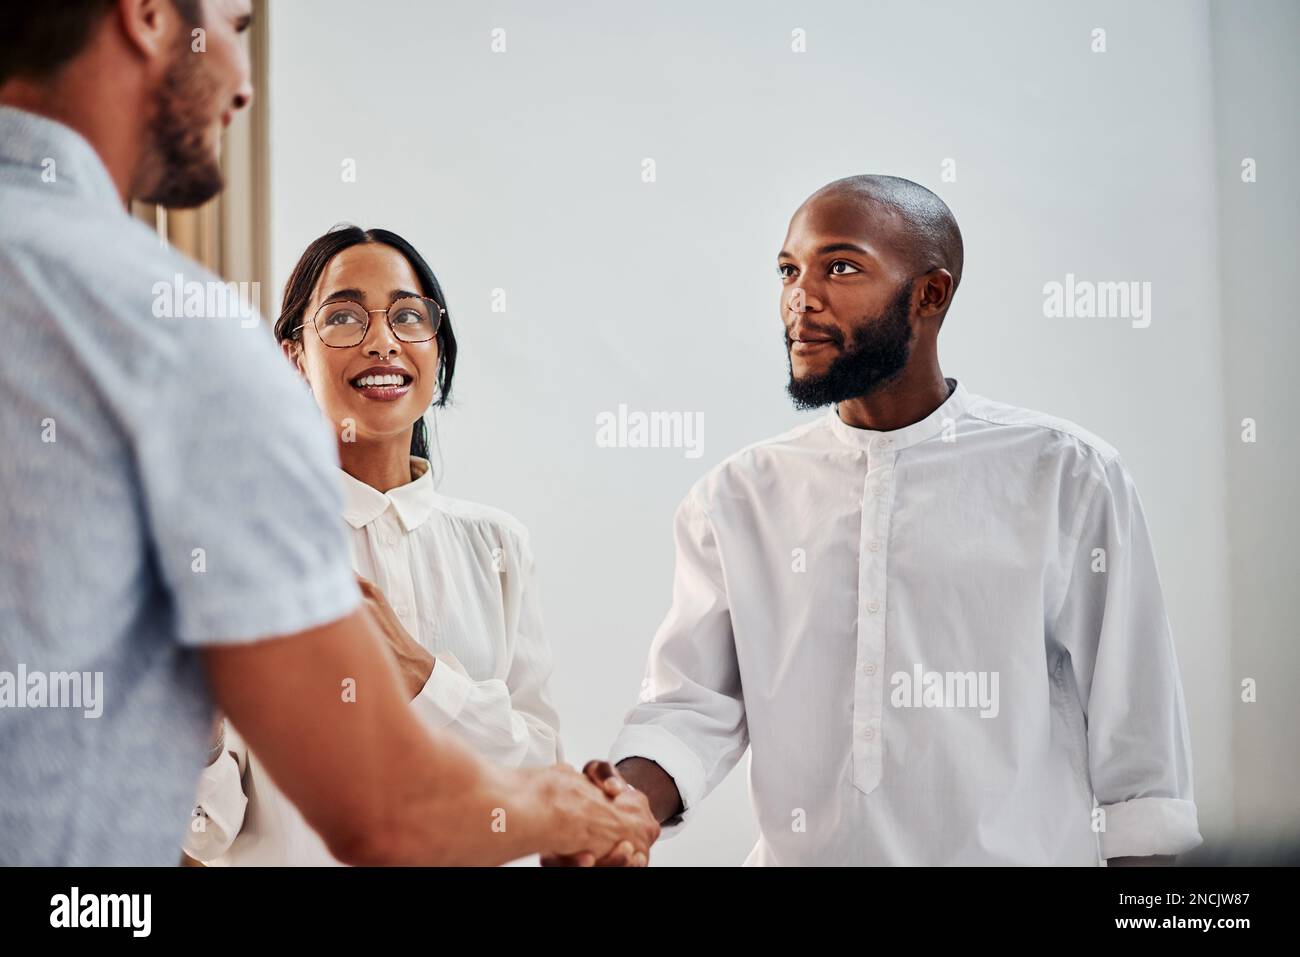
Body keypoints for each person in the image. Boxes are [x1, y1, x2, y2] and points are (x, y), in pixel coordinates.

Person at [0, 0, 655, 866]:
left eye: (409, 317)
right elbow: (385, 811)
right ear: (151, 16)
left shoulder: (496, 546)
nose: (244, 82)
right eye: (236, 25)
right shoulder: (172, 338)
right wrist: (587, 817)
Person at [584, 174, 1201, 866]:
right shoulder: (736, 497)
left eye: (839, 267)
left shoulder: (1068, 474)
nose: (801, 297)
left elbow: (1138, 758)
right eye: (789, 269)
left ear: (929, 294)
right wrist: (616, 814)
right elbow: (690, 709)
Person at [184, 226, 564, 865]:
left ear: (435, 352)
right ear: (293, 357)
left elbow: (538, 784)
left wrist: (420, 676)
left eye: (409, 316)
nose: (383, 341)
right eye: (344, 317)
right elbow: (198, 833)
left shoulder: (499, 545)